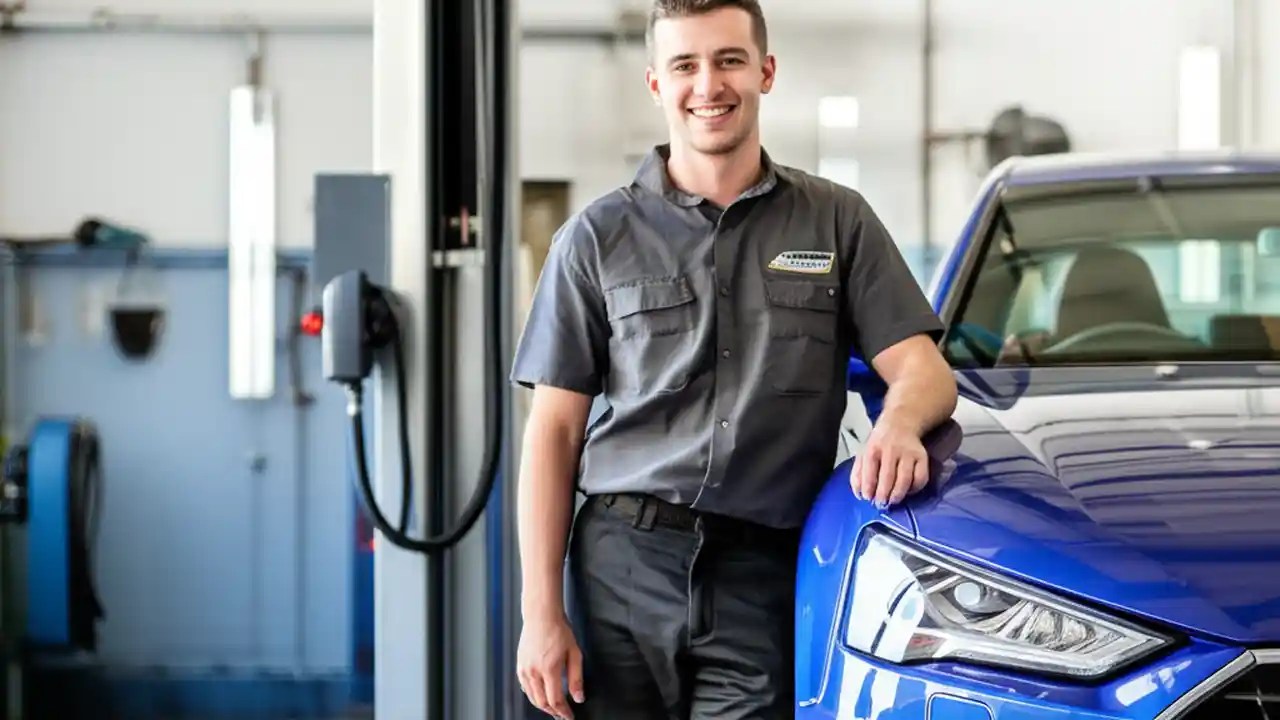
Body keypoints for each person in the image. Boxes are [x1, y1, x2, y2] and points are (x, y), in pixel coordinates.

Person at [509, 1, 959, 717]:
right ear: (656, 83)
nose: (707, 85)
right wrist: (540, 612)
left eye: (728, 60)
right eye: (684, 65)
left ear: (765, 71)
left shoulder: (837, 221)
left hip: (765, 567)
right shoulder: (593, 239)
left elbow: (923, 369)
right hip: (623, 562)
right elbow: (553, 433)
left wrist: (900, 423)